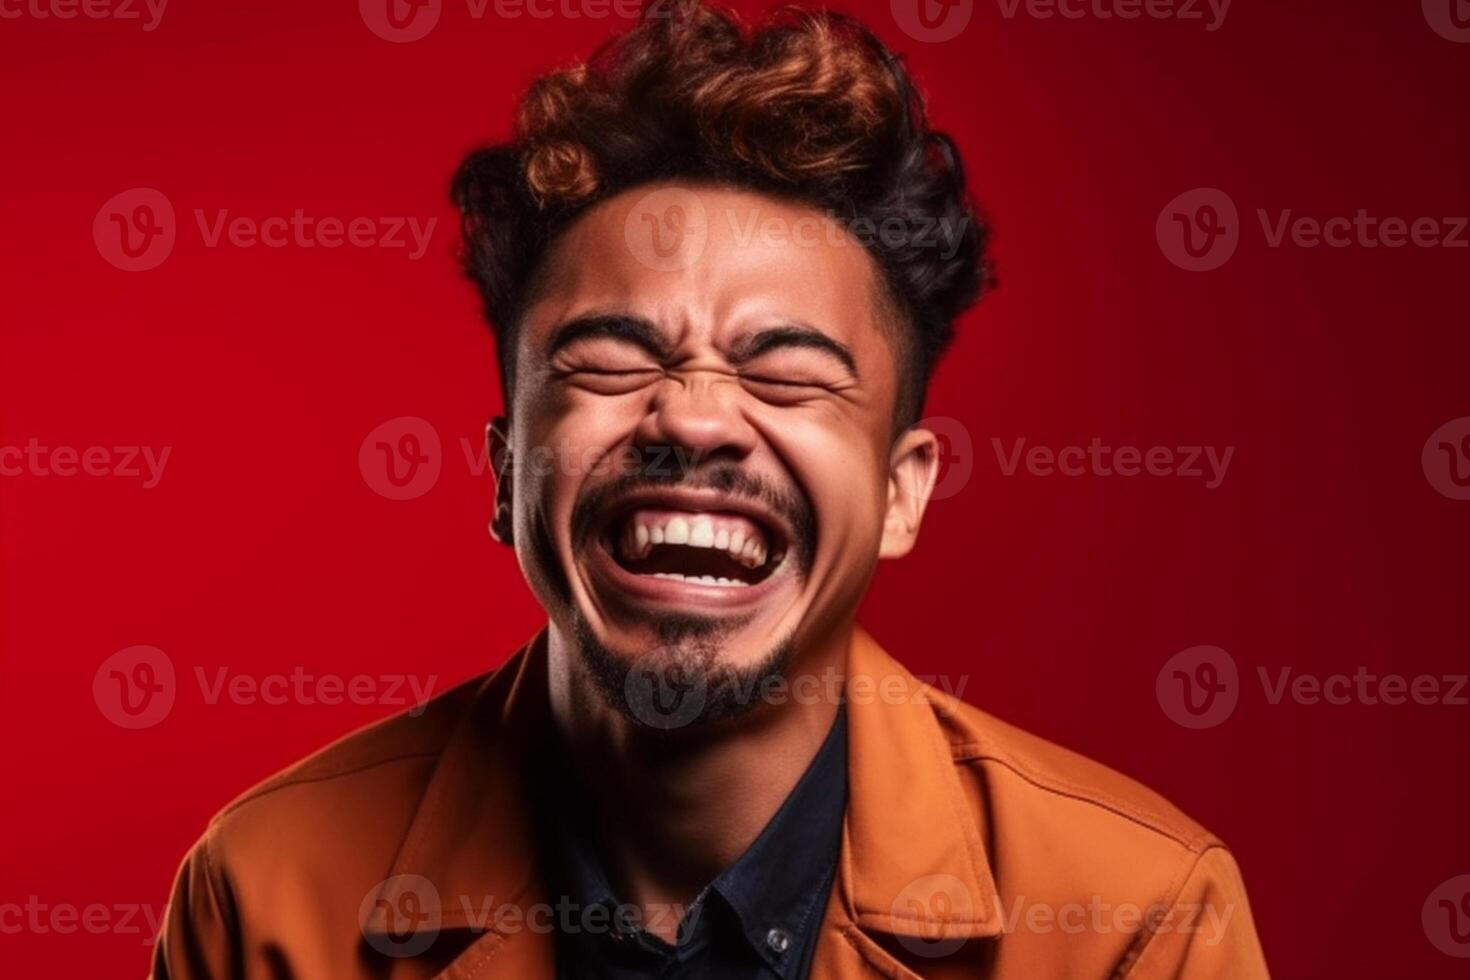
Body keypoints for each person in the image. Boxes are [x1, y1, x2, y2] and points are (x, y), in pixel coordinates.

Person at [152, 2, 1270, 976]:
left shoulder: (1138, 924)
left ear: (901, 493)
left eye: (785, 372)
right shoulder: (265, 899)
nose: (692, 415)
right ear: (505, 475)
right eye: (610, 357)